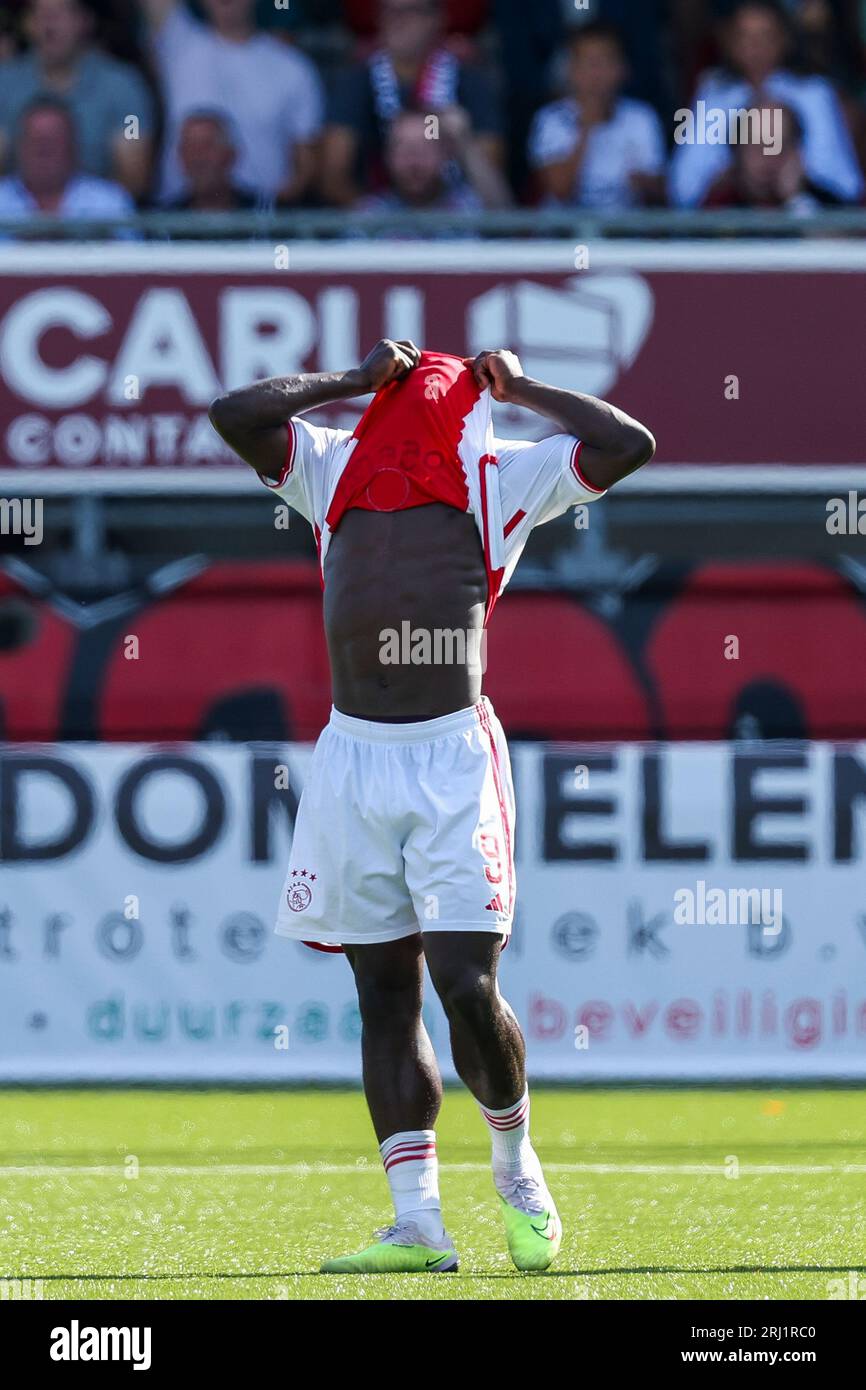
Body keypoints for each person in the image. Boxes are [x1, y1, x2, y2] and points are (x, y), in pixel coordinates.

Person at [209, 340, 655, 1274]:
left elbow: (629, 443)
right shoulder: (330, 465)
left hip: (452, 757)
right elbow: (236, 414)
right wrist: (345, 381)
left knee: (466, 984)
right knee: (383, 994)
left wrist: (522, 388)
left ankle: (515, 1159)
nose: (414, 409)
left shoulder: (501, 476)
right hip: (351, 757)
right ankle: (418, 1223)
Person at [670, 0, 863, 207]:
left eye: (765, 36)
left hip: (806, 220)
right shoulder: (714, 92)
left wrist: (798, 177)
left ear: (785, 39)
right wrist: (737, 177)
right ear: (729, 42)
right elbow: (682, 189)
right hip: (732, 223)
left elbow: (847, 185)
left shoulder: (814, 92)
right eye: (745, 36)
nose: (755, 47)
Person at [320, 0, 504, 207]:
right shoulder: (355, 80)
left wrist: (463, 141)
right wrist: (380, 224)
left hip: (457, 219)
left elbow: (495, 189)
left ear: (438, 19)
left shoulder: (471, 81)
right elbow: (333, 177)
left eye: (412, 10)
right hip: (378, 227)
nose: (399, 20)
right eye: (390, 11)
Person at [140, 0, 324, 205]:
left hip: (261, 224)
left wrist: (275, 212)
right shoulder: (177, 43)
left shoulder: (293, 67)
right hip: (177, 222)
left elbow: (306, 164)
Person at [0, 0, 154, 199]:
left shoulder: (124, 88)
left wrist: (86, 206)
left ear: (85, 21)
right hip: (17, 216)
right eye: (40, 15)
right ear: (26, 24)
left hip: (97, 217)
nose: (49, 25)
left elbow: (134, 173)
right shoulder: (4, 85)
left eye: (59, 14)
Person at [529, 21, 667, 209]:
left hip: (624, 233)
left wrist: (644, 183)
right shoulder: (550, 119)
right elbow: (560, 190)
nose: (596, 75)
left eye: (606, 62)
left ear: (623, 69)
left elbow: (662, 193)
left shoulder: (641, 117)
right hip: (566, 233)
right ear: (571, 70)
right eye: (589, 63)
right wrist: (586, 128)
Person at [0, 94, 135, 224]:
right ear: (19, 146)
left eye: (53, 141)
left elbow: (132, 246)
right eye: (35, 140)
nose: (44, 150)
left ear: (73, 146)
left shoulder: (110, 202)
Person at [357, 107, 510, 215]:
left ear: (446, 154)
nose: (414, 162)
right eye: (403, 149)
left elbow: (507, 219)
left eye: (425, 148)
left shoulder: (468, 208)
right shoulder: (369, 216)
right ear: (387, 157)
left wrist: (464, 143)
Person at [166, 110, 258, 211]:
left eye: (207, 146)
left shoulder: (263, 213)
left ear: (231, 155)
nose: (198, 157)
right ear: (180, 156)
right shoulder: (163, 219)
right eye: (189, 147)